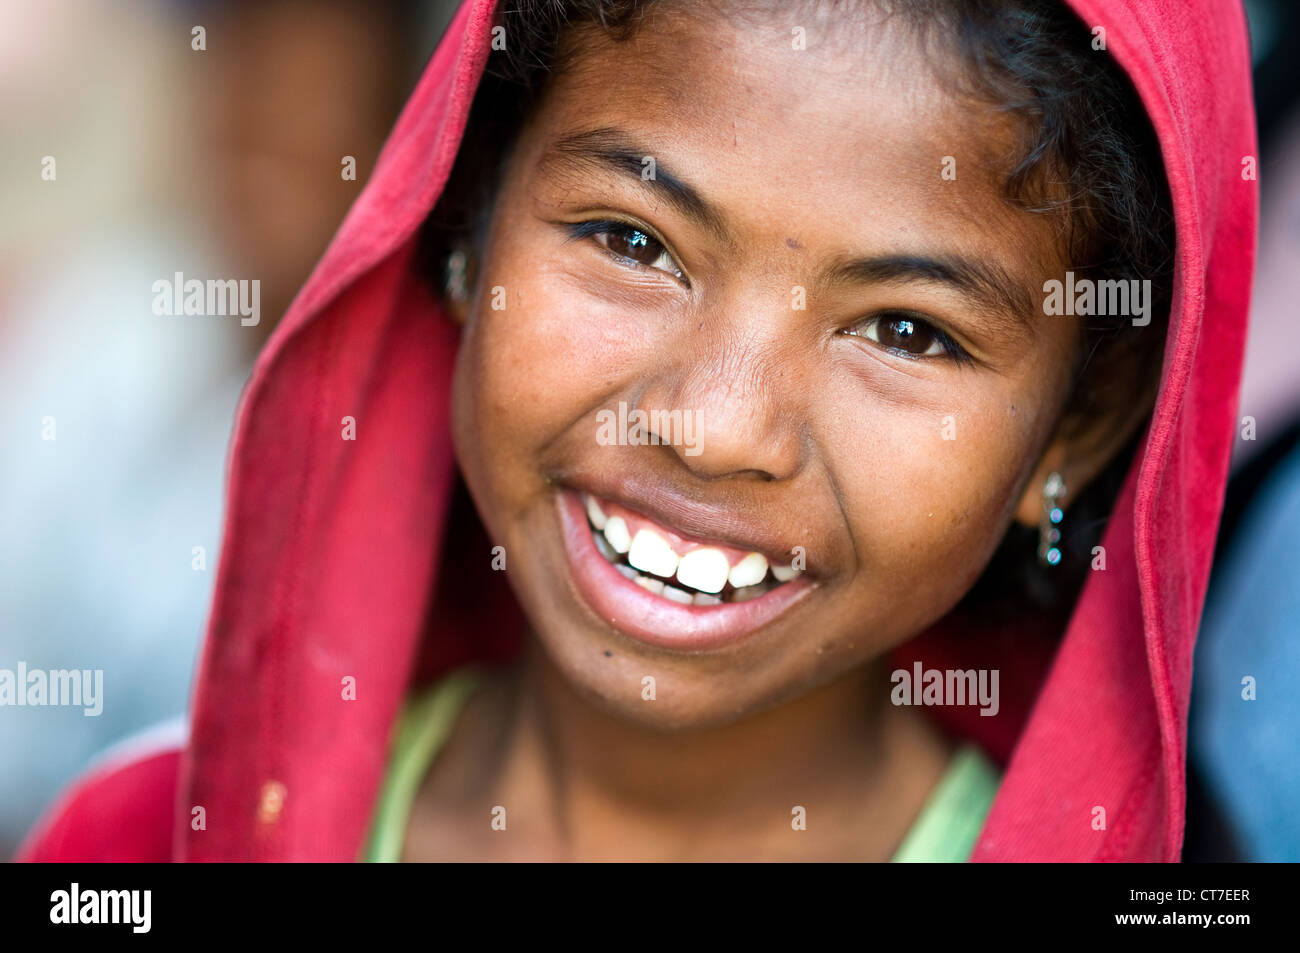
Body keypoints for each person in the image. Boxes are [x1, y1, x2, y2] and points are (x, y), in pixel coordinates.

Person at [17, 0, 1256, 862]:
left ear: (1076, 428)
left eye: (908, 331)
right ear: (465, 224)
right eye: (631, 242)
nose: (716, 430)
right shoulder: (139, 842)